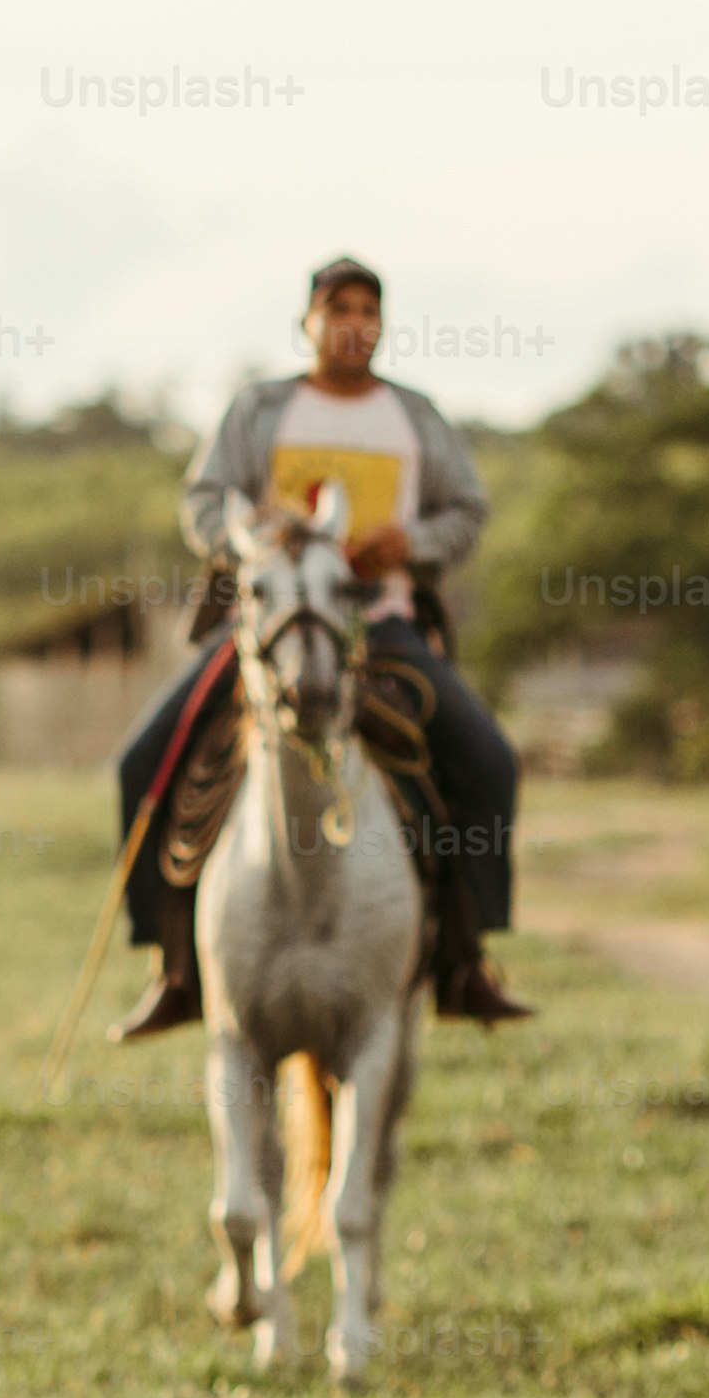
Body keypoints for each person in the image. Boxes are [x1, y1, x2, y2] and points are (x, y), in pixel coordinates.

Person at [116, 255, 534, 1039]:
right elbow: (203, 501)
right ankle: (173, 966)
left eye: (369, 311)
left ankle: (467, 958)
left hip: (379, 625)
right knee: (143, 761)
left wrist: (409, 542)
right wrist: (256, 541)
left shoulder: (415, 415)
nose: (355, 325)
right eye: (339, 309)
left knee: (489, 761)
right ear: (308, 321)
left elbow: (467, 510)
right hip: (269, 627)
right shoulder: (260, 409)